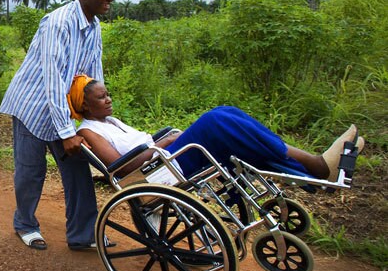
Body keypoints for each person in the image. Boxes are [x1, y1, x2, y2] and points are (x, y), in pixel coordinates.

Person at [0, 0, 115, 251]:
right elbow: (53, 80)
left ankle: (83, 234)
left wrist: (99, 118)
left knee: (77, 169)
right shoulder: (58, 23)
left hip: (63, 108)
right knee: (30, 171)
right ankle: (25, 224)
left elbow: (92, 76)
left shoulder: (94, 26)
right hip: (33, 106)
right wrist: (66, 132)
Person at [70, 75, 365, 182]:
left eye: (108, 94)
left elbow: (146, 140)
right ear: (85, 106)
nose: (109, 100)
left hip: (167, 156)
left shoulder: (110, 121)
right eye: (101, 97)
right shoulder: (89, 131)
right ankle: (314, 164)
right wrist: (160, 146)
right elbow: (119, 169)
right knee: (216, 120)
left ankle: (304, 170)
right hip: (152, 172)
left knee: (226, 112)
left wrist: (164, 141)